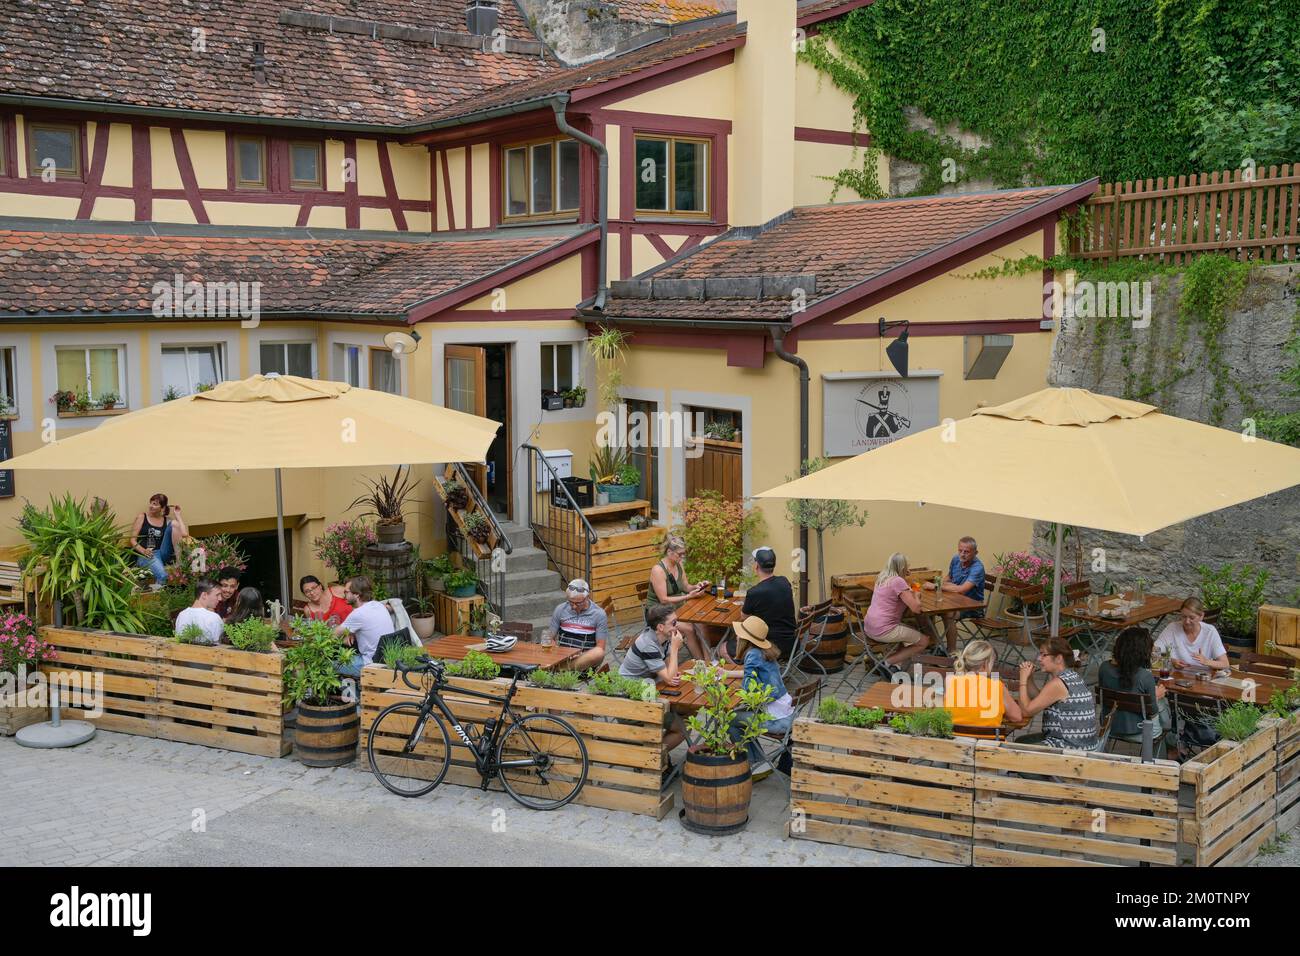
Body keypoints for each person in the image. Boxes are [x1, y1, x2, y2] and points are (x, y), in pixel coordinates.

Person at [721, 616, 794, 781]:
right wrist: (726, 673)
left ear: (747, 638)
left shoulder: (752, 655)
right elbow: (751, 673)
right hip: (786, 714)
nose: (737, 636)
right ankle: (760, 763)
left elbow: (747, 693)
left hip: (777, 721)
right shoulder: (765, 652)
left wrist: (726, 689)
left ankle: (755, 762)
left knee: (730, 719)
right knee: (741, 719)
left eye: (740, 634)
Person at [619, 604, 688, 763]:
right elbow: (670, 679)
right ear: (660, 626)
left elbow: (670, 667)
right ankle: (648, 758)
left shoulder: (663, 637)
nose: (676, 626)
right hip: (632, 699)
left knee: (686, 711)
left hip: (649, 689)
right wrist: (676, 649)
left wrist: (671, 669)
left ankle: (655, 756)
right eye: (674, 623)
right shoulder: (647, 643)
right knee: (682, 729)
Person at [1017, 636, 1101, 751]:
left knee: (1018, 747)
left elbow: (1026, 711)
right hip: (1084, 745)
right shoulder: (1072, 676)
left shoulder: (1058, 683)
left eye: (1043, 655)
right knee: (1021, 742)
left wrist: (1022, 680)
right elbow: (1041, 699)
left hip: (1069, 749)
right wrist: (1029, 678)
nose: (1038, 659)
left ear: (1058, 659)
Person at [1099, 626, 1173, 748]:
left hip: (1110, 726)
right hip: (1142, 731)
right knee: (1162, 704)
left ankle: (1170, 744)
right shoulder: (1144, 676)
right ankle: (1164, 752)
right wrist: (1155, 697)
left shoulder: (1104, 668)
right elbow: (1153, 712)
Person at [645, 535, 714, 663]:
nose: (682, 557)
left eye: (684, 554)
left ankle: (709, 661)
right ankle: (701, 664)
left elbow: (686, 586)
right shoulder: (658, 570)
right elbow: (663, 599)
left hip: (676, 610)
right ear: (669, 552)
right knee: (689, 628)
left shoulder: (678, 564)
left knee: (701, 624)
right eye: (680, 554)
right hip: (659, 614)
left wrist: (696, 587)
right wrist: (688, 596)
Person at [862, 553, 930, 675]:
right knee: (924, 641)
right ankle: (886, 662)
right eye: (907, 566)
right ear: (903, 567)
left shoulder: (882, 578)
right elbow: (916, 609)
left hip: (869, 627)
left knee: (908, 633)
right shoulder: (898, 581)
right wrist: (917, 596)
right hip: (884, 630)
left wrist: (904, 576)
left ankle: (895, 666)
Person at [943, 639, 1022, 737]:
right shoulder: (997, 686)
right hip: (989, 746)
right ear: (985, 664)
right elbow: (1017, 717)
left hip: (954, 742)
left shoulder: (950, 680)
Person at [926, 535, 986, 648]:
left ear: (975, 552)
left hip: (972, 606)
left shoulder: (977, 568)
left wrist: (936, 586)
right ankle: (933, 644)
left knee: (948, 614)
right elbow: (949, 576)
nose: (962, 554)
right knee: (925, 610)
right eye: (960, 550)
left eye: (967, 551)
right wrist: (944, 584)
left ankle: (951, 651)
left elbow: (962, 589)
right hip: (953, 599)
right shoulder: (956, 559)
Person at [333, 576, 394, 680]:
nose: (344, 596)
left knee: (329, 665)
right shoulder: (378, 605)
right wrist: (351, 632)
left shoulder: (358, 614)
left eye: (346, 592)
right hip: (386, 659)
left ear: (356, 594)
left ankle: (345, 694)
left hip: (370, 664)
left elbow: (333, 634)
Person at [741, 547, 796, 657]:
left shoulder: (754, 592)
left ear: (756, 566)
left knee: (723, 648)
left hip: (769, 647)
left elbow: (744, 618)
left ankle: (753, 670)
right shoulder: (784, 581)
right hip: (792, 643)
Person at [545, 578, 609, 672]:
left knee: (599, 652)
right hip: (562, 657)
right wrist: (557, 651)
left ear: (587, 597)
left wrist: (581, 655)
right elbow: (549, 638)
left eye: (578, 603)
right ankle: (561, 669)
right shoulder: (560, 609)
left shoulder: (598, 614)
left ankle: (560, 670)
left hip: (583, 660)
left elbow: (600, 647)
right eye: (571, 602)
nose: (574, 606)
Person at [1154, 597, 1228, 671]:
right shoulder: (1172, 628)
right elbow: (1153, 652)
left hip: (1202, 678)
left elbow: (1225, 664)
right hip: (1176, 677)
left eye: (1192, 617)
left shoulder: (1210, 631)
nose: (1187, 621)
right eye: (1184, 616)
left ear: (1201, 616)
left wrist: (1206, 661)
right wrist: (1172, 661)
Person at [130, 493, 188, 587]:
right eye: (151, 503)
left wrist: (177, 515)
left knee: (174, 523)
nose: (151, 506)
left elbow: (184, 534)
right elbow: (133, 540)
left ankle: (180, 562)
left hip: (162, 553)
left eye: (155, 504)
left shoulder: (167, 520)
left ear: (162, 508)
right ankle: (158, 598)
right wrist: (143, 551)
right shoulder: (142, 517)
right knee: (162, 575)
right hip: (147, 555)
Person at [174, 578, 224, 645]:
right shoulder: (214, 618)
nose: (220, 598)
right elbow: (218, 645)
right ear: (204, 595)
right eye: (217, 595)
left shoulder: (182, 615)